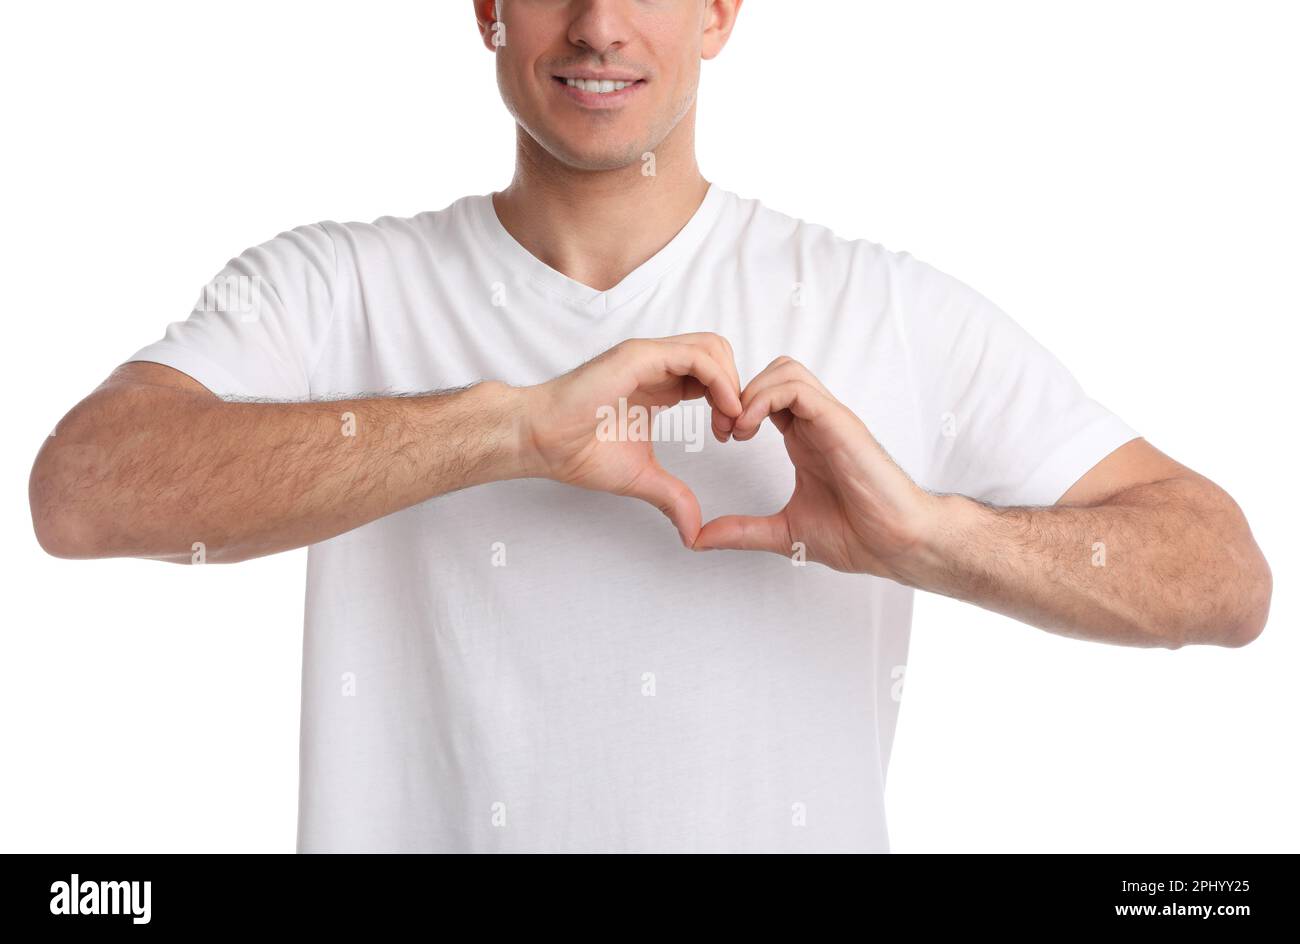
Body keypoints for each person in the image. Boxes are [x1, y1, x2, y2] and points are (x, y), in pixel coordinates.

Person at [27, 0, 1271, 853]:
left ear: (722, 9)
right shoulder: (332, 288)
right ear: (486, 9)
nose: (598, 25)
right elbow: (83, 488)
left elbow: (1221, 571)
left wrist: (931, 537)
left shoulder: (882, 306)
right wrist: (508, 429)